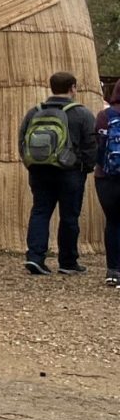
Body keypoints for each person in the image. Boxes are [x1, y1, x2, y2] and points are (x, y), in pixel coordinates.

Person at [19, 71, 97, 276]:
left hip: (39, 170)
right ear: (73, 87)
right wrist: (86, 168)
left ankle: (35, 257)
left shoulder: (34, 112)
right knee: (69, 216)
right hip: (70, 172)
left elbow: (22, 141)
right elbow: (90, 145)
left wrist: (31, 164)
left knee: (40, 211)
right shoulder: (82, 113)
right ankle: (68, 261)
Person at [95, 79, 120, 288]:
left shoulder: (104, 116)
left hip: (106, 177)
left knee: (113, 222)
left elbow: (98, 147)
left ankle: (113, 271)